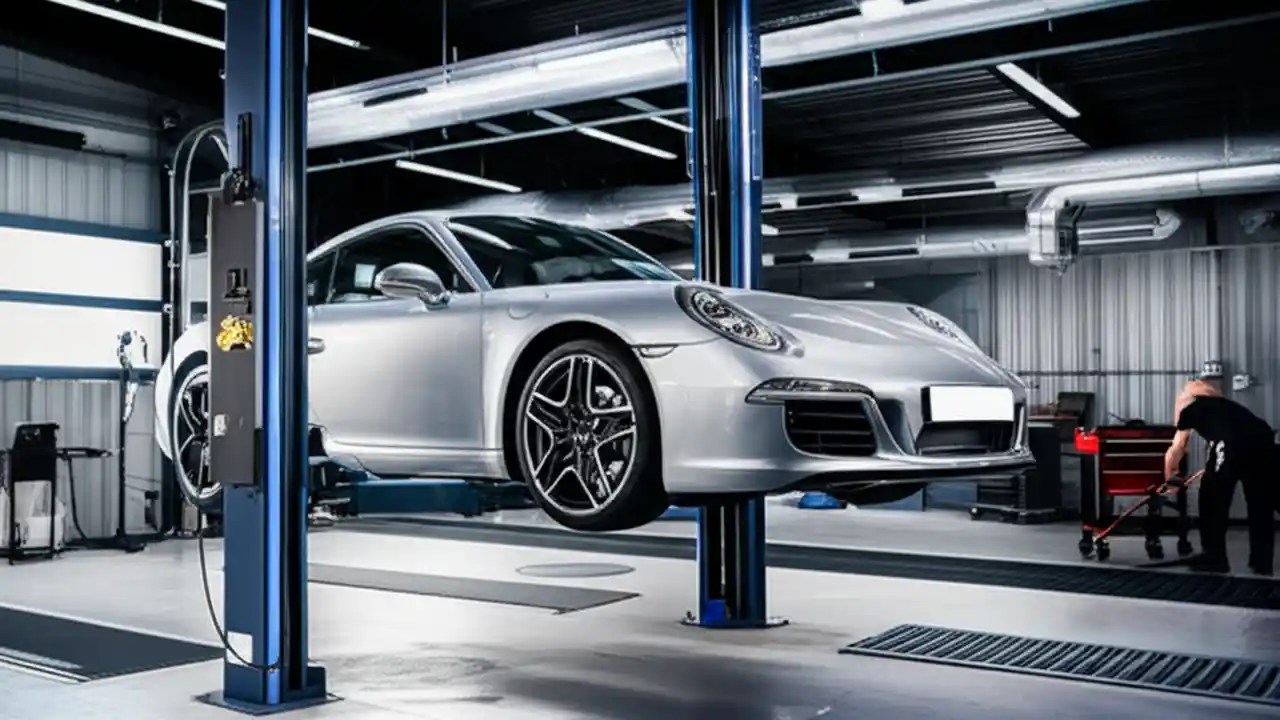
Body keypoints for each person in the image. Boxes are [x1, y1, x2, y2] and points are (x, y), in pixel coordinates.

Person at [1164, 378, 1276, 575]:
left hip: (1230, 442)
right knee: (1261, 504)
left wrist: (1170, 477)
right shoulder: (1225, 406)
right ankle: (1262, 562)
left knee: (1211, 498)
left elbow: (1177, 447)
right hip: (1263, 439)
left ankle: (1214, 557)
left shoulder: (1188, 406)